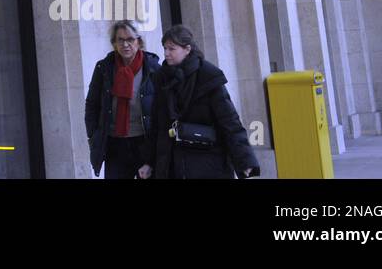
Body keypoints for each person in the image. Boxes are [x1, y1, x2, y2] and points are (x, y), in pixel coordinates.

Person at [139, 24, 259, 179]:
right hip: (171, 163)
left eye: (172, 49)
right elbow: (156, 125)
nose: (166, 54)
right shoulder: (162, 78)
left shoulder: (208, 77)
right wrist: (148, 162)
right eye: (165, 48)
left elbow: (230, 122)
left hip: (206, 161)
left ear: (187, 49)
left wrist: (245, 161)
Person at [84, 20, 160, 178]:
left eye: (130, 39)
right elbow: (92, 104)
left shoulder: (152, 69)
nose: (125, 44)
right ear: (114, 43)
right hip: (115, 143)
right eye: (120, 40)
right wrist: (93, 135)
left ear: (138, 41)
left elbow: (161, 109)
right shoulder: (104, 69)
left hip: (144, 142)